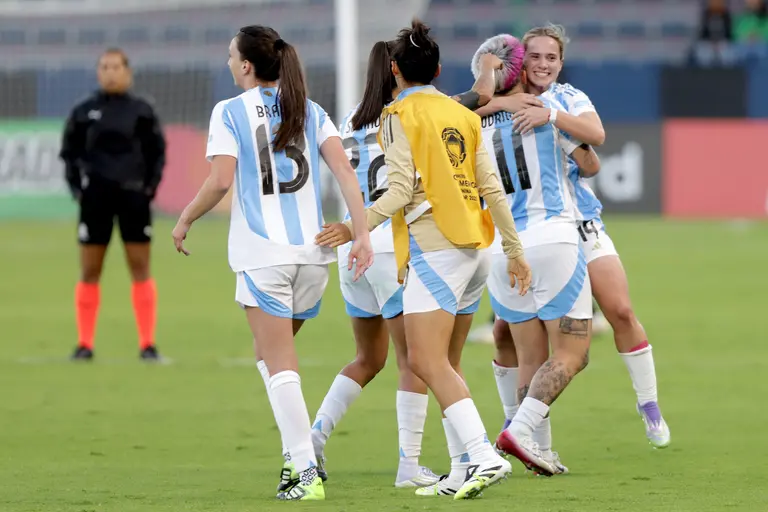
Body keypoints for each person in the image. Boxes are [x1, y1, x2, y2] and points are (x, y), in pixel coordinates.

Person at [316, 20, 531, 500]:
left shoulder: (395, 116)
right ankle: (459, 468)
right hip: (479, 248)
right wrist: (514, 250)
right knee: (446, 363)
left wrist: (354, 228)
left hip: (436, 250)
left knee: (424, 360)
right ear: (436, 68)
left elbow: (397, 190)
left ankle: (482, 454)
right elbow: (492, 188)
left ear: (395, 70)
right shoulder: (464, 115)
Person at [171, 25, 374, 501]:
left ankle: (305, 469)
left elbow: (221, 181)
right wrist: (360, 233)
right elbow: (345, 170)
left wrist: (185, 217)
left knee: (279, 363)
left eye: (230, 57)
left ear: (245, 65)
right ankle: (294, 455)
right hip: (313, 256)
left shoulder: (229, 111)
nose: (228, 63)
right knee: (268, 356)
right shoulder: (311, 108)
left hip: (264, 255)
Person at [478, 24, 671, 452]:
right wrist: (507, 98)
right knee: (505, 335)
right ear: (519, 60)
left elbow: (595, 149)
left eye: (552, 57)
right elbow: (463, 111)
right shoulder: (499, 105)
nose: (544, 64)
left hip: (576, 223)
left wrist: (552, 117)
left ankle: (649, 405)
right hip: (523, 232)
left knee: (619, 309)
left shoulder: (568, 98)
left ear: (561, 63)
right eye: (535, 57)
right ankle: (523, 429)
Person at [465, 32, 601, 476]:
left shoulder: (472, 121)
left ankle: (539, 449)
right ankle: (519, 431)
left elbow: (467, 104)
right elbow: (591, 161)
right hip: (554, 239)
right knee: (573, 353)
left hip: (503, 250)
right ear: (521, 68)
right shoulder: (541, 112)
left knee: (530, 357)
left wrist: (491, 90)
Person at [308, 40, 438, 490]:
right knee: (413, 360)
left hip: (353, 248)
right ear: (400, 72)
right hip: (392, 247)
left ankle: (313, 438)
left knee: (369, 357)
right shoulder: (410, 116)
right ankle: (409, 465)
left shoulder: (349, 122)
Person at [60, 48, 166, 362]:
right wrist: (78, 190)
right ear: (97, 72)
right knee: (90, 269)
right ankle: (84, 344)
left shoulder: (142, 110)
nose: (110, 72)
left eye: (116, 66)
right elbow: (69, 153)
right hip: (95, 200)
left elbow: (156, 153)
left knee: (140, 267)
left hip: (133, 198)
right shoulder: (83, 111)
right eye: (104, 67)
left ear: (127, 72)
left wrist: (148, 189)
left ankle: (147, 345)